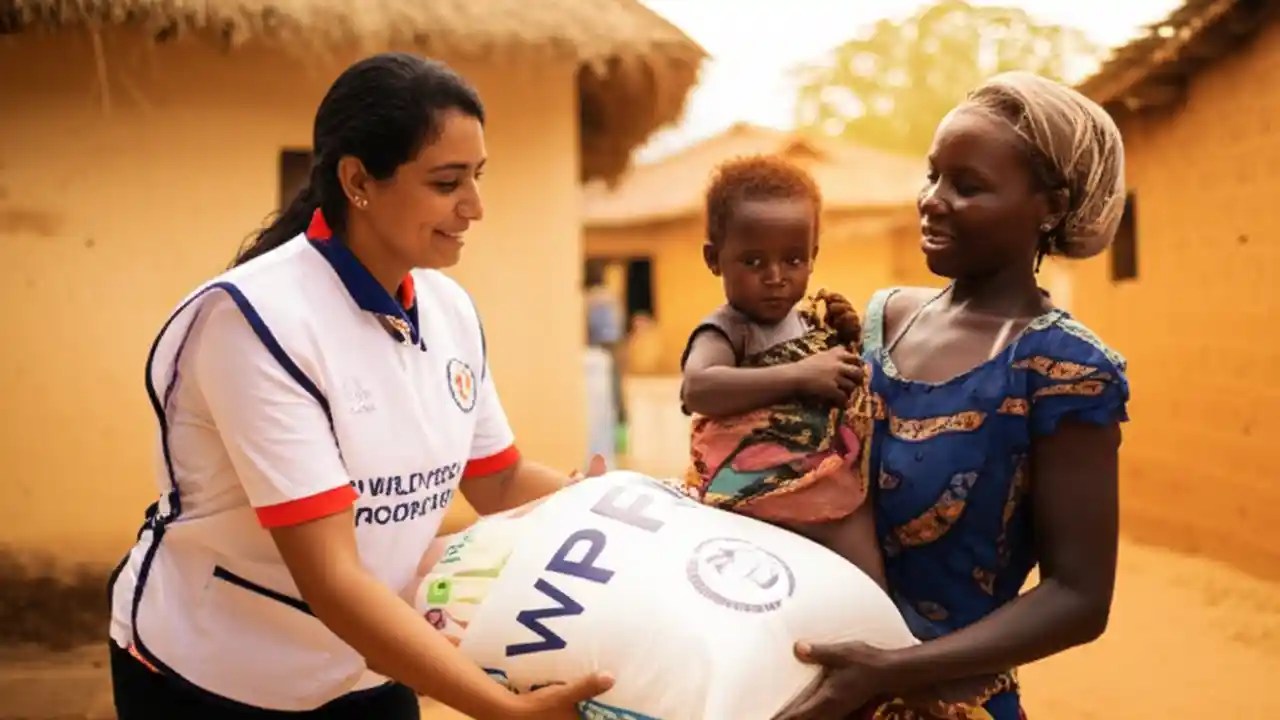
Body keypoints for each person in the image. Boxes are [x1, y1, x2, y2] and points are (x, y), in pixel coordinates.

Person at [106, 52, 612, 720]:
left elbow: (498, 479)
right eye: (446, 182)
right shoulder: (255, 322)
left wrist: (625, 505)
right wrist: (500, 707)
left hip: (369, 661)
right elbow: (335, 581)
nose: (475, 207)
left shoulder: (447, 308)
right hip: (220, 673)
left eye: (478, 177)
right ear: (357, 181)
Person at [773, 71, 1129, 720]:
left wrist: (890, 671)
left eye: (967, 186)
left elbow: (1080, 597)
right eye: (933, 175)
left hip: (947, 705)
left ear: (1049, 207)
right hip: (805, 686)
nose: (933, 200)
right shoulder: (883, 321)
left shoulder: (1064, 371)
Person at [679, 155, 884, 586]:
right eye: (753, 262)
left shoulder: (812, 323)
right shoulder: (728, 330)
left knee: (861, 582)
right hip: (753, 497)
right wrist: (800, 375)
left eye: (793, 260)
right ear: (714, 259)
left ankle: (878, 639)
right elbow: (698, 388)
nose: (775, 276)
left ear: (813, 257)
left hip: (824, 488)